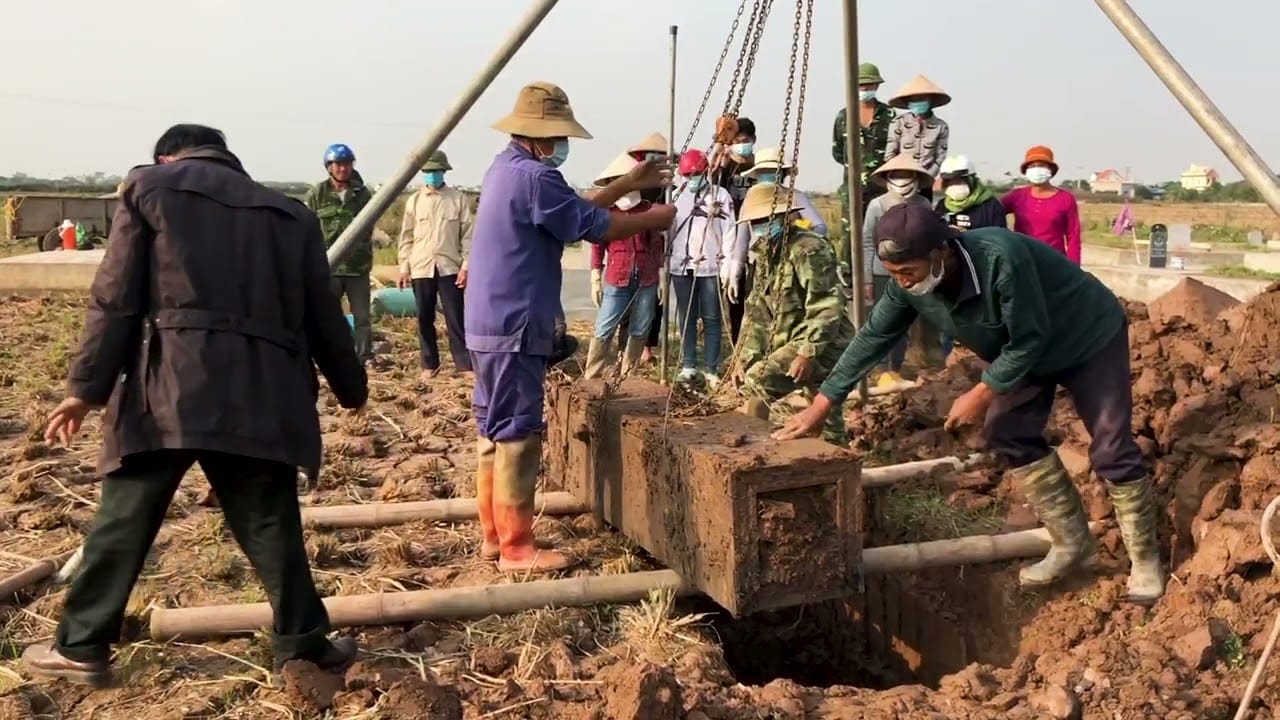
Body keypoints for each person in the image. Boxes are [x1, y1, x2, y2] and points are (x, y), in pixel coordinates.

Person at [23, 124, 368, 686]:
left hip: (169, 386)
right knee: (269, 520)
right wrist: (351, 388)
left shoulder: (148, 189)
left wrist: (85, 390)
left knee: (125, 518)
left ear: (166, 156)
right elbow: (323, 316)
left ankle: (83, 645)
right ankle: (304, 643)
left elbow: (114, 300)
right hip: (264, 390)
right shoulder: (290, 215)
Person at [776, 204, 1164, 605]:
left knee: (1110, 448)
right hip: (1022, 350)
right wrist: (823, 402)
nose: (903, 283)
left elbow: (1031, 337)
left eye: (908, 271)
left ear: (941, 252)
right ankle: (1073, 543)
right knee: (1007, 431)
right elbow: (871, 339)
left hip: (1085, 337)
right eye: (893, 274)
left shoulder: (1000, 260)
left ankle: (1145, 560)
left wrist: (981, 392)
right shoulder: (907, 286)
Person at [467, 82, 675, 573]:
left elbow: (576, 208)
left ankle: (494, 537)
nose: (562, 147)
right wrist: (656, 217)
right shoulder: (537, 178)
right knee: (517, 431)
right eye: (559, 138)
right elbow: (594, 226)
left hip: (490, 321)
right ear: (542, 137)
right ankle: (517, 547)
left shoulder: (508, 169)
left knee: (492, 430)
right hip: (515, 323)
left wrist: (628, 184)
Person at [733, 183, 854, 447]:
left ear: (787, 216)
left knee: (825, 413)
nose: (762, 227)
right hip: (793, 342)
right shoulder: (766, 253)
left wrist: (807, 352)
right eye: (757, 222)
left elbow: (827, 305)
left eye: (767, 220)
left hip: (826, 343)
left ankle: (837, 466)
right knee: (754, 381)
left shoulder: (809, 249)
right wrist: (744, 356)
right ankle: (760, 451)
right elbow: (757, 313)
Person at [396, 149, 474, 381]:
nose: (432, 175)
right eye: (428, 171)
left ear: (444, 172)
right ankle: (429, 364)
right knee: (424, 317)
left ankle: (463, 363)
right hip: (421, 266)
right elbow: (406, 237)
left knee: (455, 317)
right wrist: (403, 267)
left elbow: (468, 236)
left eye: (436, 171)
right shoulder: (415, 201)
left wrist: (466, 266)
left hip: (449, 267)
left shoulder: (457, 199)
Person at [585, 153, 664, 379]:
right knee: (605, 326)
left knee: (640, 327)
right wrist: (595, 275)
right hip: (617, 275)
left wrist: (661, 274)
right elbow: (597, 245)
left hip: (646, 277)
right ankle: (593, 373)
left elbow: (656, 243)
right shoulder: (606, 213)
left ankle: (628, 374)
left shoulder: (648, 210)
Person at [861, 155, 933, 386]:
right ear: (887, 178)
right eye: (896, 175)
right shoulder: (877, 205)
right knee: (882, 322)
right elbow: (866, 242)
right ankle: (881, 368)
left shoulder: (923, 204)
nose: (902, 180)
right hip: (883, 273)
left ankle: (897, 367)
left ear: (916, 178)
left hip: (915, 274)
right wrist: (867, 279)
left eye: (907, 175)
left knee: (905, 324)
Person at [668, 149, 735, 386]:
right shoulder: (676, 196)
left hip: (710, 265)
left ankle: (711, 368)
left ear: (706, 171)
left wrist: (728, 266)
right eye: (687, 174)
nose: (692, 178)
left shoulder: (721, 196)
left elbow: (729, 232)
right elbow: (668, 232)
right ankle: (688, 365)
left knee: (712, 318)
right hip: (681, 265)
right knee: (686, 317)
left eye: (696, 173)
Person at [305, 143, 376, 365]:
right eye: (337, 164)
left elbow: (370, 225)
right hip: (329, 267)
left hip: (358, 267)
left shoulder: (362, 194)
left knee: (362, 317)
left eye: (346, 164)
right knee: (327, 317)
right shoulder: (318, 193)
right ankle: (330, 356)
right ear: (329, 167)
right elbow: (308, 226)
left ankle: (365, 356)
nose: (342, 169)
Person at [832, 62, 895, 268]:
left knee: (884, 234)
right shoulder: (844, 116)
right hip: (852, 189)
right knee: (850, 235)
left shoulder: (890, 116)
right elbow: (838, 153)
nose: (865, 90)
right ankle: (849, 278)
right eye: (861, 86)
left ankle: (882, 277)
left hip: (882, 189)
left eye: (869, 86)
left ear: (877, 86)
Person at [620, 132, 671, 367]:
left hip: (658, 251)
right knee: (628, 305)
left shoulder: (667, 187)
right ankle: (624, 350)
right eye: (651, 156)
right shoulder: (632, 185)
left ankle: (647, 349)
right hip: (631, 251)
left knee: (655, 306)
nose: (655, 160)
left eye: (660, 156)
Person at [712, 117, 758, 344]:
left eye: (746, 140)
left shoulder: (761, 167)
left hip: (755, 233)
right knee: (734, 292)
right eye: (738, 140)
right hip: (731, 235)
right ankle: (736, 338)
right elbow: (711, 187)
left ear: (754, 140)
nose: (742, 145)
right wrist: (721, 153)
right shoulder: (725, 167)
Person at [1002, 146, 1082, 265]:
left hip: (1054, 262)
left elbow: (1073, 237)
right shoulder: (1017, 196)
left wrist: (1074, 269)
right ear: (1026, 171)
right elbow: (991, 211)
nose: (1037, 169)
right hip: (1023, 260)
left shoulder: (1065, 199)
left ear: (1050, 169)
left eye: (1041, 165)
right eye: (1032, 166)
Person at [884, 75, 951, 199]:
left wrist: (926, 178)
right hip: (900, 182)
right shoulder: (898, 123)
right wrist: (901, 177)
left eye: (921, 98)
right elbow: (890, 154)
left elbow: (940, 157)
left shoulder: (941, 126)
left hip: (926, 182)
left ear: (930, 100)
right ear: (908, 103)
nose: (917, 102)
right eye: (914, 99)